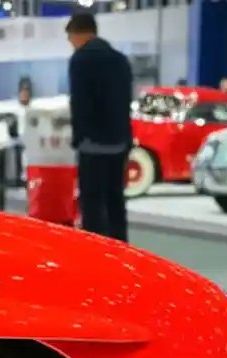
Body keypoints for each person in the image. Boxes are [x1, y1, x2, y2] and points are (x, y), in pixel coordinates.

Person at [67, 12, 132, 242]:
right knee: (115, 199)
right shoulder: (121, 60)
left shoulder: (80, 60)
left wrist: (78, 138)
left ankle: (96, 251)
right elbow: (126, 103)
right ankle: (122, 249)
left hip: (92, 144)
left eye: (70, 39)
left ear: (77, 34)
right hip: (118, 141)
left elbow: (80, 103)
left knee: (92, 203)